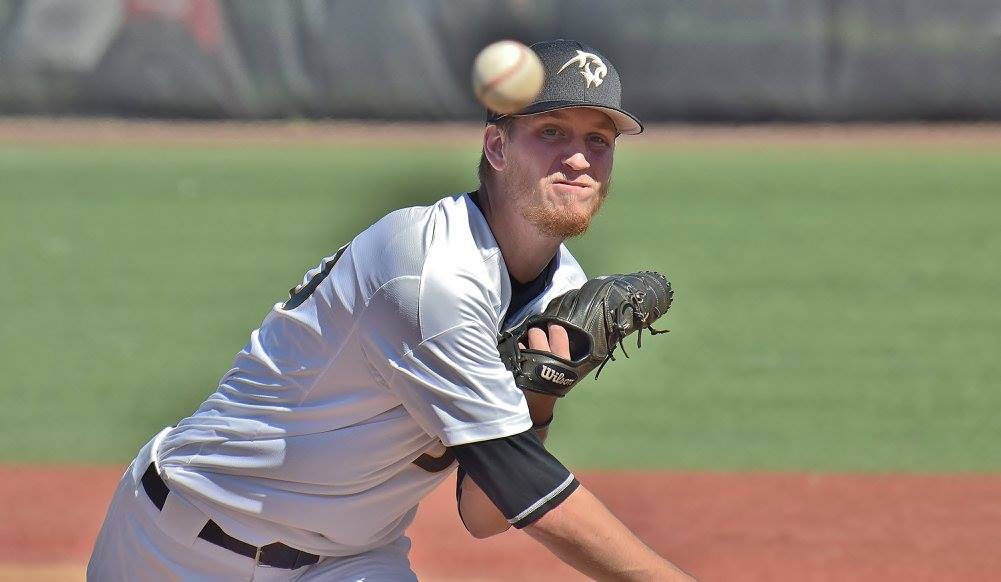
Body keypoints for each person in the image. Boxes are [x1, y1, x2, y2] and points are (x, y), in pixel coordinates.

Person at [88, 39, 693, 581]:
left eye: (599, 140)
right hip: (178, 547)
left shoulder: (562, 288)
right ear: (497, 147)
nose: (580, 159)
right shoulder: (433, 271)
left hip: (351, 561)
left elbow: (483, 514)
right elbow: (525, 492)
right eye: (553, 132)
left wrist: (538, 400)